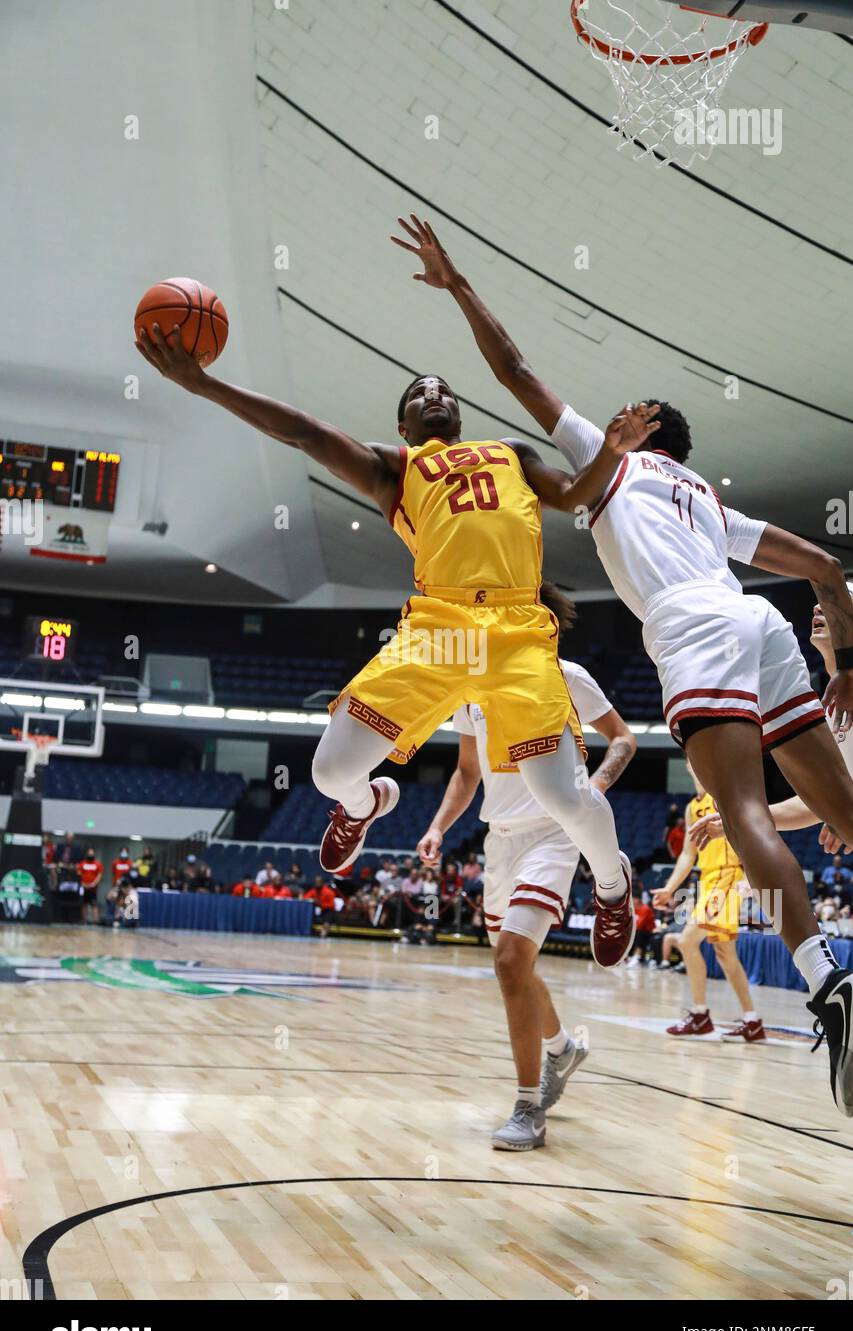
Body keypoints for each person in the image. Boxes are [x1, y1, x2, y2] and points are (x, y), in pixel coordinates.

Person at [396, 214, 853, 1118]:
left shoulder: (615, 467)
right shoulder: (705, 502)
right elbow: (827, 568)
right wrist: (846, 656)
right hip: (759, 620)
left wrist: (456, 285)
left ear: (643, 434)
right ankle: (834, 980)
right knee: (852, 813)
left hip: (696, 634)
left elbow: (514, 372)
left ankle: (827, 985)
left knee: (740, 812)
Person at [135, 315, 656, 970]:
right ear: (406, 426)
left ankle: (612, 887)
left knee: (561, 797)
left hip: (518, 635)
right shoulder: (395, 468)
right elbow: (303, 431)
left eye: (443, 390)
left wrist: (612, 448)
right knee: (329, 773)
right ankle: (369, 804)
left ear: (459, 417)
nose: (434, 392)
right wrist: (203, 383)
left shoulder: (513, 456)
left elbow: (580, 493)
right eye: (419, 393)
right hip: (437, 633)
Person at [417, 581, 635, 1149]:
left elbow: (623, 739)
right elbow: (467, 774)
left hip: (554, 834)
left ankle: (527, 1108)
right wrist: (439, 825)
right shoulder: (472, 689)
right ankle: (563, 1050)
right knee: (517, 967)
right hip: (500, 841)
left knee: (512, 962)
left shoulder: (568, 676)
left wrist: (595, 788)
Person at [652, 761, 765, 1041]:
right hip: (709, 880)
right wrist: (669, 889)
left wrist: (750, 876)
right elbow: (688, 855)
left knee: (687, 940)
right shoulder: (692, 807)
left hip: (729, 878)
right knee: (725, 956)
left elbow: (750, 834)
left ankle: (700, 1015)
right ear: (688, 766)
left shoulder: (723, 795)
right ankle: (752, 1022)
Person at [77, 847, 104, 926]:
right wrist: (83, 884)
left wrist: (94, 884)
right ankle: (84, 920)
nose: (90, 855)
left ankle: (95, 921)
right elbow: (79, 874)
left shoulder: (98, 864)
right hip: (83, 887)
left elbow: (99, 875)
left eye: (92, 853)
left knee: (94, 904)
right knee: (84, 904)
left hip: (93, 889)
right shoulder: (82, 864)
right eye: (89, 853)